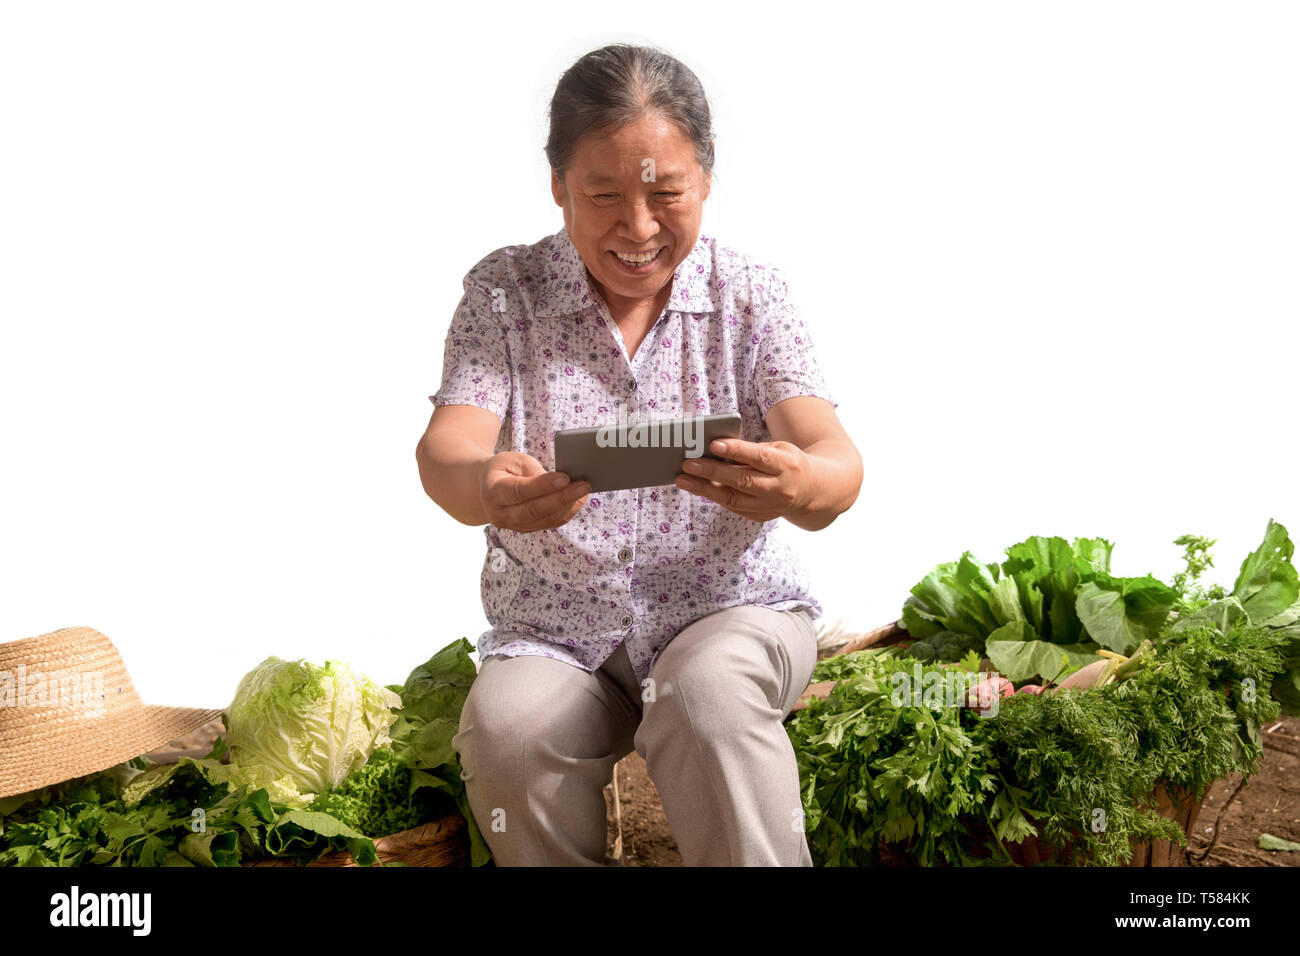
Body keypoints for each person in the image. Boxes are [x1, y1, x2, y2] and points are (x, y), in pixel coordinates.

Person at [416, 43, 862, 866]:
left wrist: (798, 480)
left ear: (707, 179)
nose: (640, 228)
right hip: (559, 634)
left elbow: (836, 463)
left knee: (706, 697)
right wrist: (486, 484)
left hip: (729, 613)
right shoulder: (503, 294)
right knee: (508, 732)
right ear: (558, 188)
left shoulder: (750, 295)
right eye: (604, 196)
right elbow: (448, 451)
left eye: (667, 194)